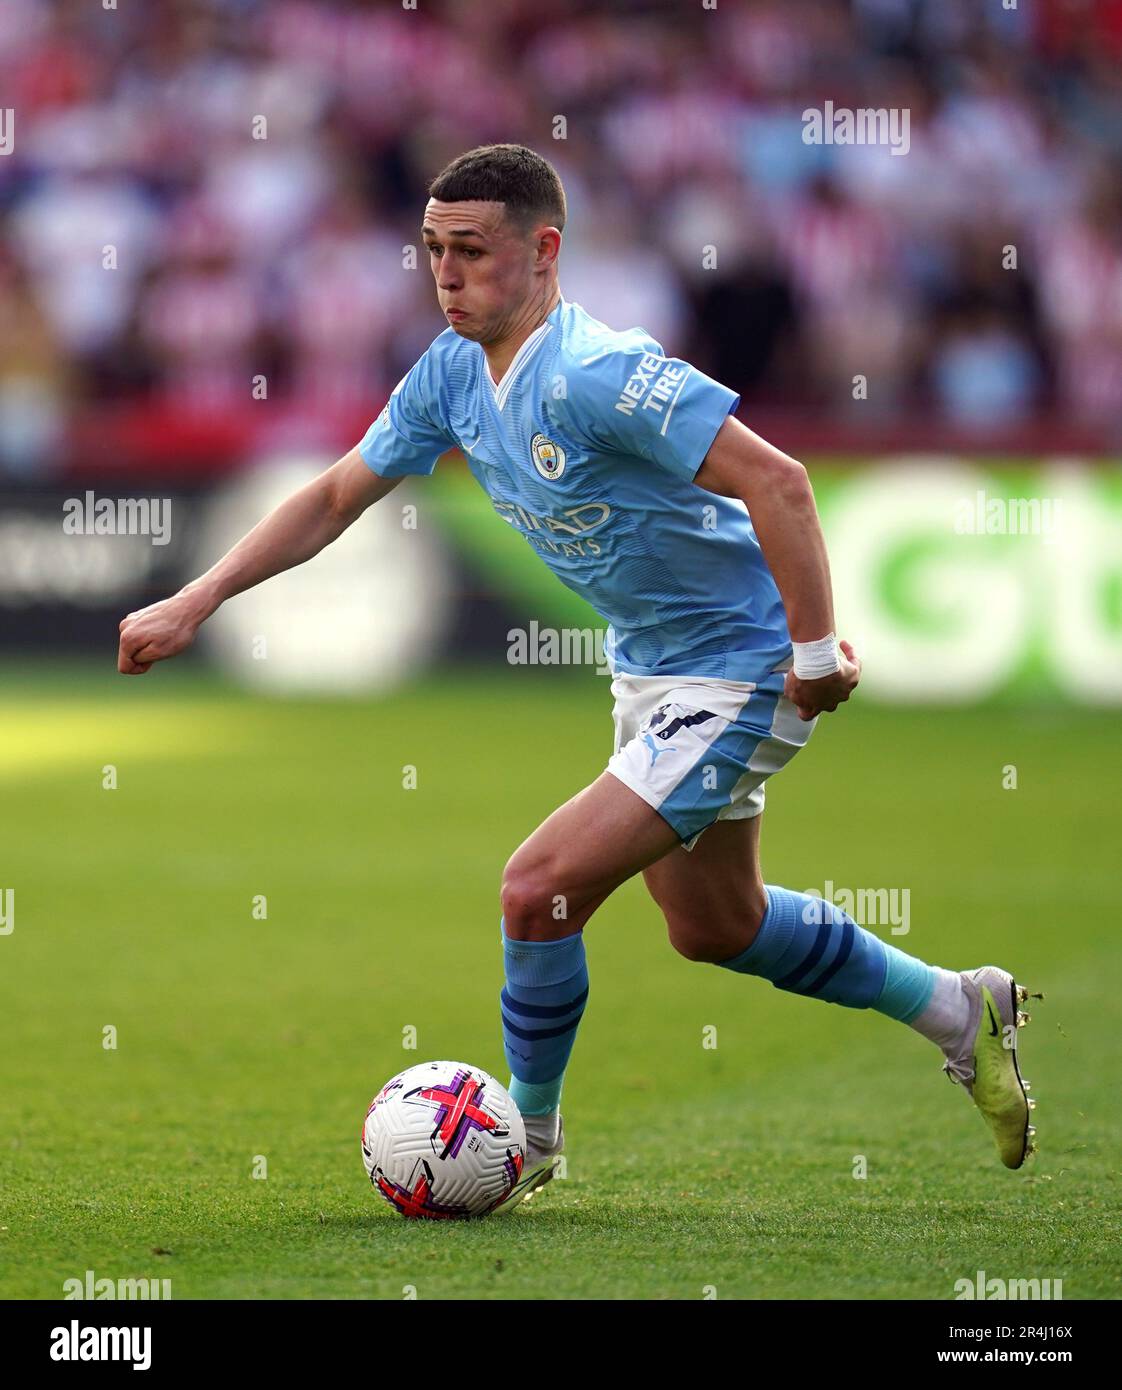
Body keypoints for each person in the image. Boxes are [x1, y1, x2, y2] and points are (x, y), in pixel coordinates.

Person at [117, 144, 1039, 1214]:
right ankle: (959, 1009)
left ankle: (530, 1137)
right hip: (653, 670)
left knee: (536, 887)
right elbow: (332, 496)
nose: (447, 274)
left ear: (543, 253)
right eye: (432, 251)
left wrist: (816, 651)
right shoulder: (453, 372)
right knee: (715, 925)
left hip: (736, 667)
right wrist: (201, 596)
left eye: (472, 251)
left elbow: (778, 481)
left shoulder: (599, 370)